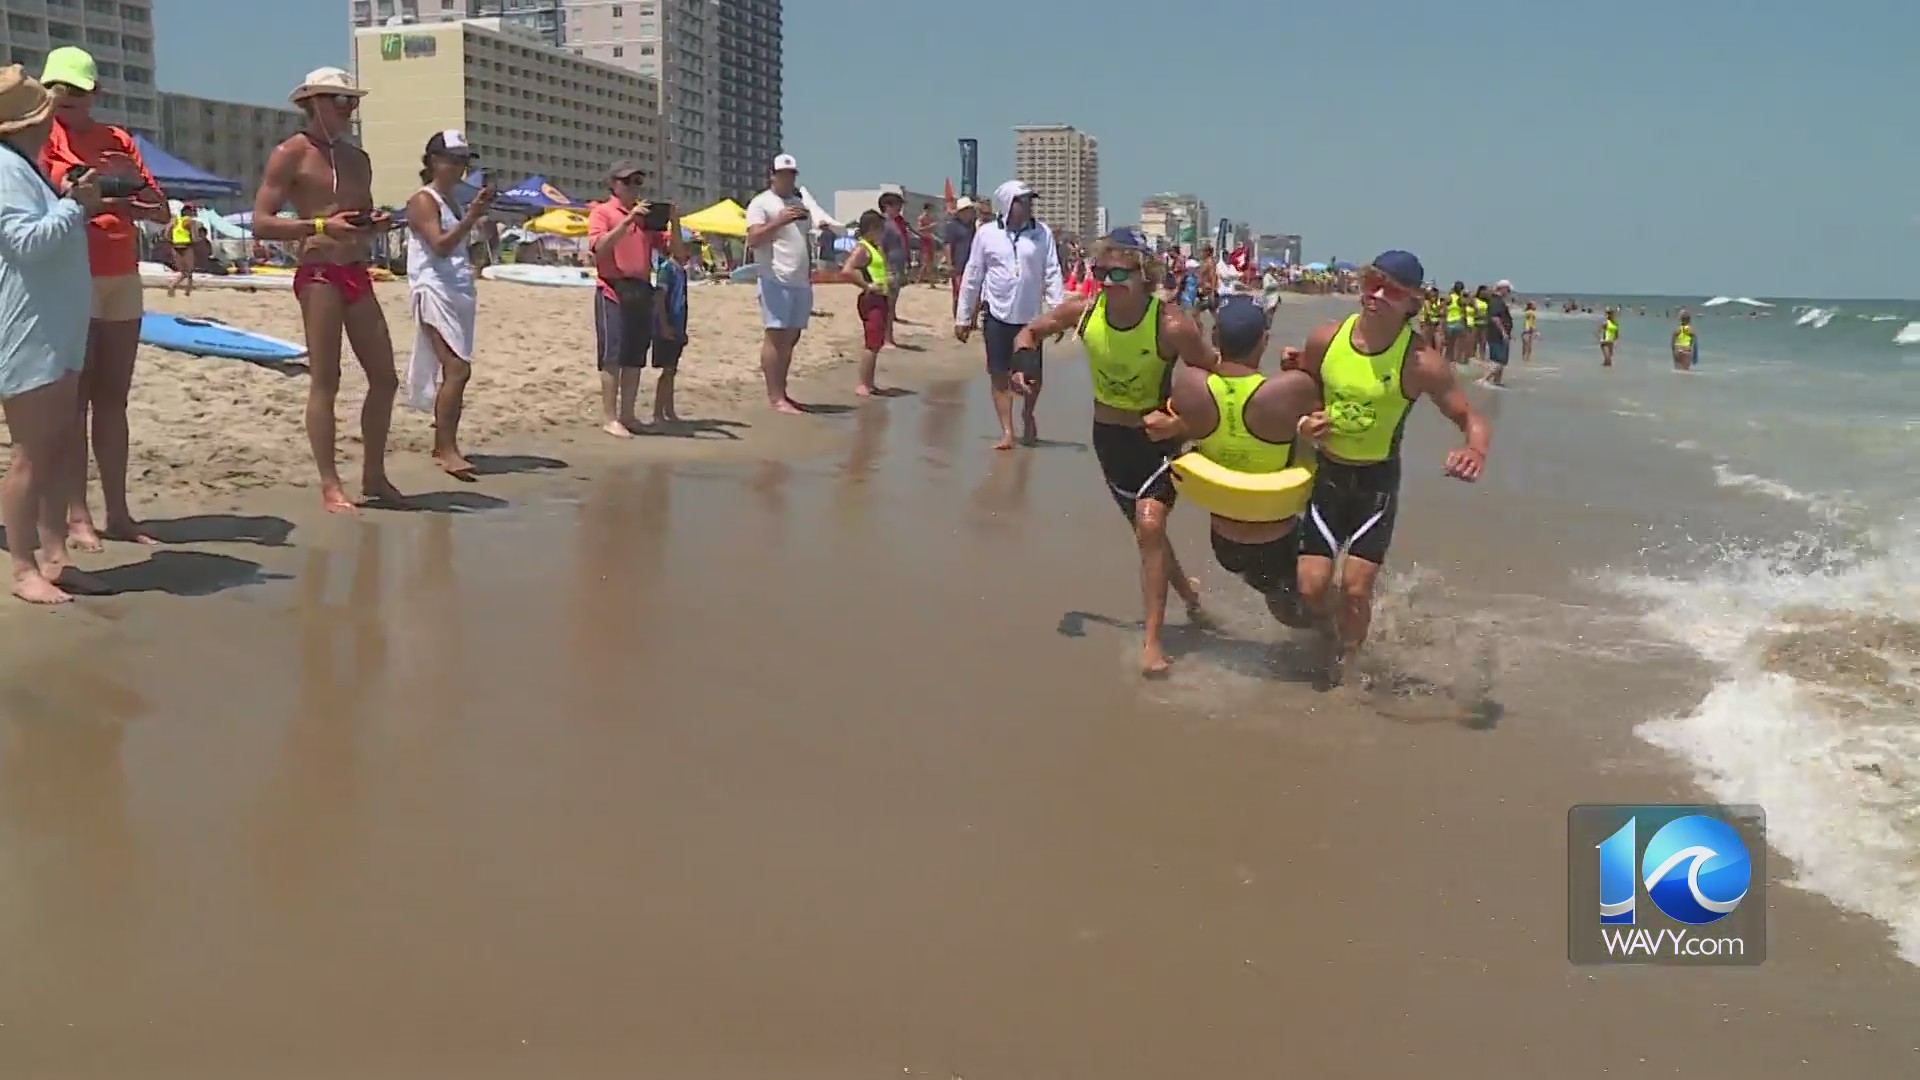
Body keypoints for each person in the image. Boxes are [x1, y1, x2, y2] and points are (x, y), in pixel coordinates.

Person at [1012, 229, 1219, 675]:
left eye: (1119, 273)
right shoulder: (1085, 314)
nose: (1106, 281)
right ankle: (1191, 599)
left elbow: (1221, 379)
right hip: (1109, 441)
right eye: (1100, 271)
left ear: (1145, 274)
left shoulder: (1172, 325)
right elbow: (1030, 332)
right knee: (1149, 535)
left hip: (1158, 439)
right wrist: (1024, 364)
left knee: (1150, 525)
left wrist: (1182, 424)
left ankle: (1152, 643)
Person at [1285, 251, 1491, 685]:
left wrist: (1474, 449)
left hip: (1375, 484)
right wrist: (1306, 419)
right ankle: (1333, 631)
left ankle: (1348, 667)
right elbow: (1305, 388)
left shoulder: (1422, 364)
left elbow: (1469, 416)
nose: (1377, 295)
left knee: (1356, 588)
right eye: (1371, 283)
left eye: (1392, 290)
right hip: (1327, 475)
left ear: (1412, 303)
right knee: (1310, 587)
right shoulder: (1326, 339)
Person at [250, 67, 403, 513]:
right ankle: (330, 483)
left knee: (385, 378)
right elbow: (262, 222)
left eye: (352, 101)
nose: (349, 109)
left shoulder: (358, 159)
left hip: (356, 268)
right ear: (313, 102)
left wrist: (374, 223)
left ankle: (373, 475)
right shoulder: (290, 153)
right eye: (340, 101)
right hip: (318, 271)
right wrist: (318, 225)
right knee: (326, 379)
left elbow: (361, 215)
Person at [37, 46, 168, 549]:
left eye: (76, 87)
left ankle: (118, 512)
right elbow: (56, 200)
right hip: (72, 275)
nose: (64, 95)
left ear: (95, 92)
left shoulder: (117, 139)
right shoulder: (40, 138)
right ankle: (77, 516)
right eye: (56, 86)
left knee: (113, 399)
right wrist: (115, 197)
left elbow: (157, 206)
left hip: (121, 273)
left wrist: (122, 192)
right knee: (74, 402)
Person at [0, 65, 104, 602]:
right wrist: (73, 204)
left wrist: (67, 199)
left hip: (55, 326)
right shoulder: (6, 169)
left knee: (58, 447)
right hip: (30, 329)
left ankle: (55, 556)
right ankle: (23, 569)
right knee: (32, 452)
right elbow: (28, 243)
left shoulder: (27, 167)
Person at [1167, 296, 1323, 627]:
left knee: (1278, 596)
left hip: (1225, 545)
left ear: (1215, 338)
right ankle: (1339, 647)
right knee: (1319, 599)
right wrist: (1300, 366)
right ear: (1264, 339)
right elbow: (1327, 400)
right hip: (1279, 540)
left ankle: (1308, 641)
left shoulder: (1189, 384)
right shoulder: (1288, 390)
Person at [402, 129, 493, 476]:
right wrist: (471, 217)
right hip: (433, 290)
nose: (458, 168)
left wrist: (478, 222)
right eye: (452, 160)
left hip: (457, 291)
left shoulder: (451, 200)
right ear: (433, 162)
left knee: (456, 369)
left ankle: (444, 442)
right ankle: (445, 448)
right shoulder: (423, 200)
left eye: (463, 162)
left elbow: (456, 250)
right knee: (457, 369)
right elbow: (439, 245)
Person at [954, 179, 1063, 449]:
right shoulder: (986, 234)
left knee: (1033, 378)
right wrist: (963, 317)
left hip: (1031, 319)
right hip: (996, 314)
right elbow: (973, 274)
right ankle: (1007, 431)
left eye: (1029, 202)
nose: (1027, 207)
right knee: (999, 374)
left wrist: (1057, 313)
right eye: (1021, 201)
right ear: (1007, 204)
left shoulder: (1042, 233)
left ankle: (1028, 413)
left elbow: (1052, 272)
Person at [586, 159, 671, 436]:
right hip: (612, 287)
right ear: (613, 184)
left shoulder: (645, 217)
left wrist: (673, 219)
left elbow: (671, 249)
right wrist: (627, 220)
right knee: (611, 355)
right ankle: (610, 418)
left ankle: (628, 415)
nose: (633, 187)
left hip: (641, 288)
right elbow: (599, 246)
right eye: (626, 181)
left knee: (634, 356)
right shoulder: (602, 212)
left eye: (637, 181)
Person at [745, 153, 814, 414]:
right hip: (775, 278)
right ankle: (775, 397)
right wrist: (779, 221)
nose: (788, 178)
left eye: (792, 174)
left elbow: (803, 239)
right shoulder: (761, 203)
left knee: (792, 337)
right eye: (783, 174)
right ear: (772, 175)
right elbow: (753, 240)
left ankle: (782, 391)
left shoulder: (798, 202)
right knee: (776, 336)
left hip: (800, 280)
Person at [837, 210, 894, 396]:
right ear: (872, 228)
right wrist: (867, 285)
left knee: (876, 343)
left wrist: (887, 278)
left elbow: (880, 269)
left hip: (881, 297)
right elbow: (847, 271)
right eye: (880, 229)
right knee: (872, 343)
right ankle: (863, 384)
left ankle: (869, 382)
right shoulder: (862, 248)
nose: (882, 233)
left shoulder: (874, 247)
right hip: (871, 299)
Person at [648, 225, 691, 421]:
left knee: (671, 370)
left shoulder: (681, 270)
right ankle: (659, 412)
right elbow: (659, 299)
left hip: (677, 325)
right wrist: (664, 325)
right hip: (666, 326)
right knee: (667, 370)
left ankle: (669, 410)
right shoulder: (667, 269)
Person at [877, 190, 912, 346]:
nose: (900, 209)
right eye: (897, 205)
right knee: (888, 305)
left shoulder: (893, 223)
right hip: (889, 268)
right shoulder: (884, 224)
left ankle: (888, 337)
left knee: (891, 305)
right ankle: (886, 338)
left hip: (896, 267)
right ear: (887, 206)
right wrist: (886, 269)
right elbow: (880, 247)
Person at [943, 196, 977, 309]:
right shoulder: (952, 225)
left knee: (969, 294)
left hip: (970, 265)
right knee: (958, 294)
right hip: (958, 265)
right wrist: (949, 264)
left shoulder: (972, 226)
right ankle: (957, 316)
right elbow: (947, 244)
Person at [1480, 279, 1514, 386]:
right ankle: (1483, 380)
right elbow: (1495, 318)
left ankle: (1497, 382)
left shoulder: (1497, 301)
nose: (1508, 293)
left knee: (1500, 361)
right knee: (1500, 360)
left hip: (1498, 334)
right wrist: (1504, 333)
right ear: (1503, 289)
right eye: (1508, 290)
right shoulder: (1496, 301)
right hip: (1497, 335)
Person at [164, 203, 198, 297]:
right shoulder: (190, 221)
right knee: (188, 271)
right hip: (186, 246)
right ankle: (173, 286)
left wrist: (172, 240)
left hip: (176, 246)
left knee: (184, 271)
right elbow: (194, 237)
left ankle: (187, 291)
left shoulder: (175, 220)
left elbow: (166, 234)